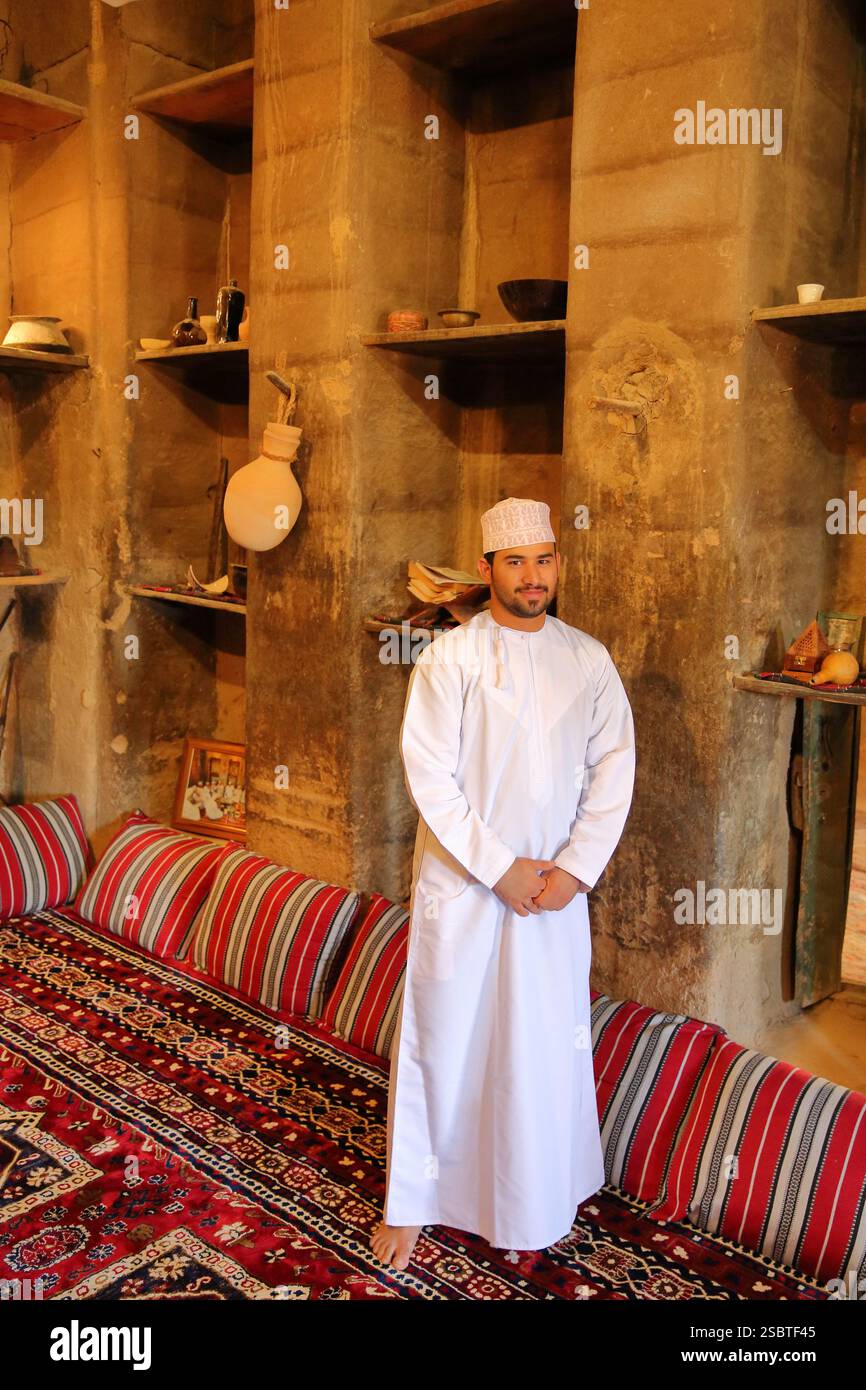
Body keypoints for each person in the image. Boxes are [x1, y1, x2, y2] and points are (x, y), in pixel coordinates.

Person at [371, 497, 636, 1271]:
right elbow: (432, 777)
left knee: (541, 1044)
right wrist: (500, 867)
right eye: (515, 562)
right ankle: (418, 1201)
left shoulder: (589, 659)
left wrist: (576, 868)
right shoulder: (448, 659)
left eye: (544, 559)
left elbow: (613, 773)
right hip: (467, 886)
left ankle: (539, 1190)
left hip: (554, 893)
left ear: (558, 564)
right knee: (446, 1040)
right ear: (486, 571)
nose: (532, 576)